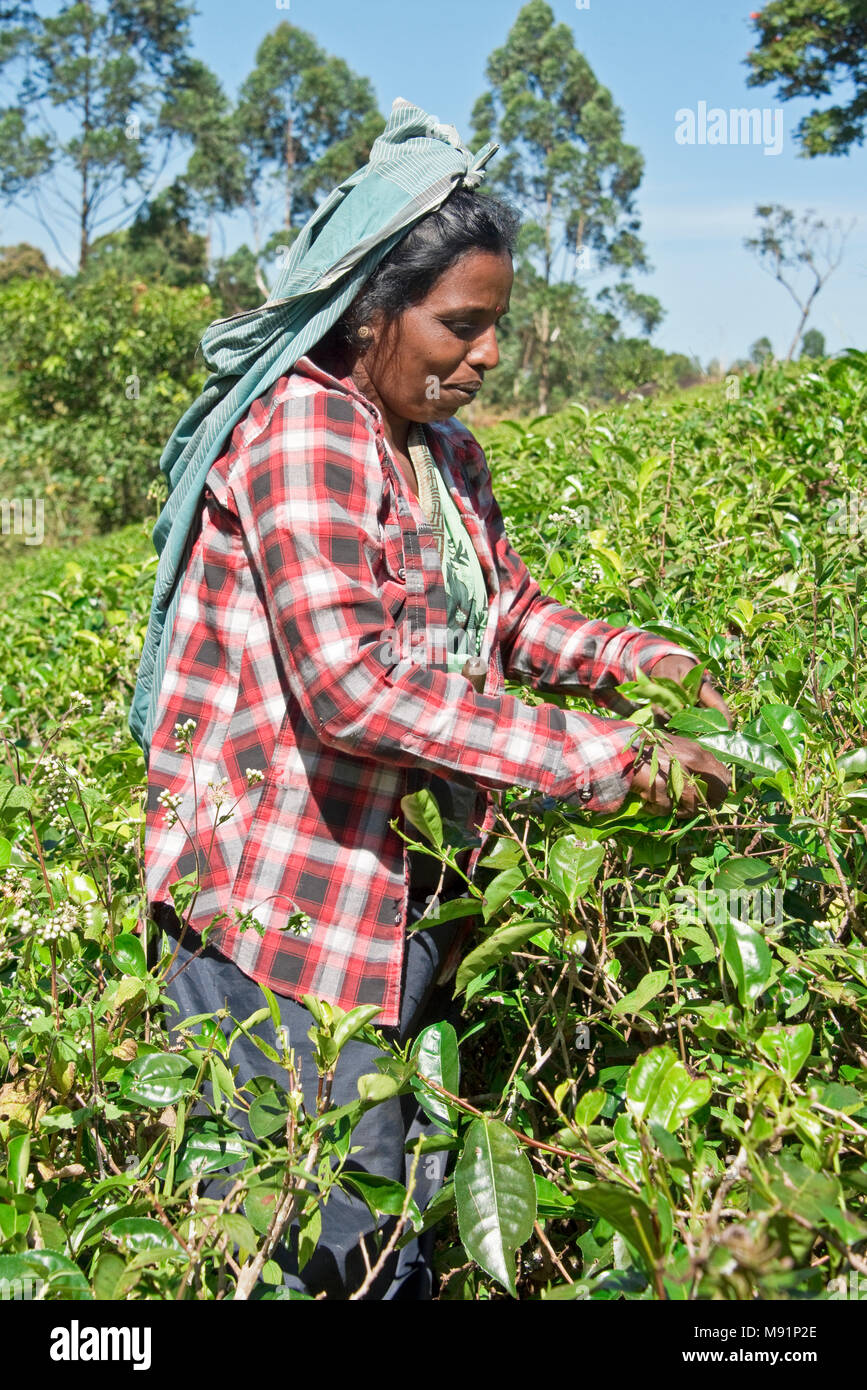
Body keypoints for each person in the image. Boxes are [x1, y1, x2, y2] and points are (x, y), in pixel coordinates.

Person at [134, 100, 731, 1300]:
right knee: (323, 1243)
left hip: (403, 895)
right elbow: (354, 689)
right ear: (370, 315)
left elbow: (502, 614)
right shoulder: (306, 430)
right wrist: (609, 758)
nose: (489, 355)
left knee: (384, 1208)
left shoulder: (442, 451)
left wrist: (639, 660)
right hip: (281, 915)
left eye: (497, 326)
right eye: (462, 325)